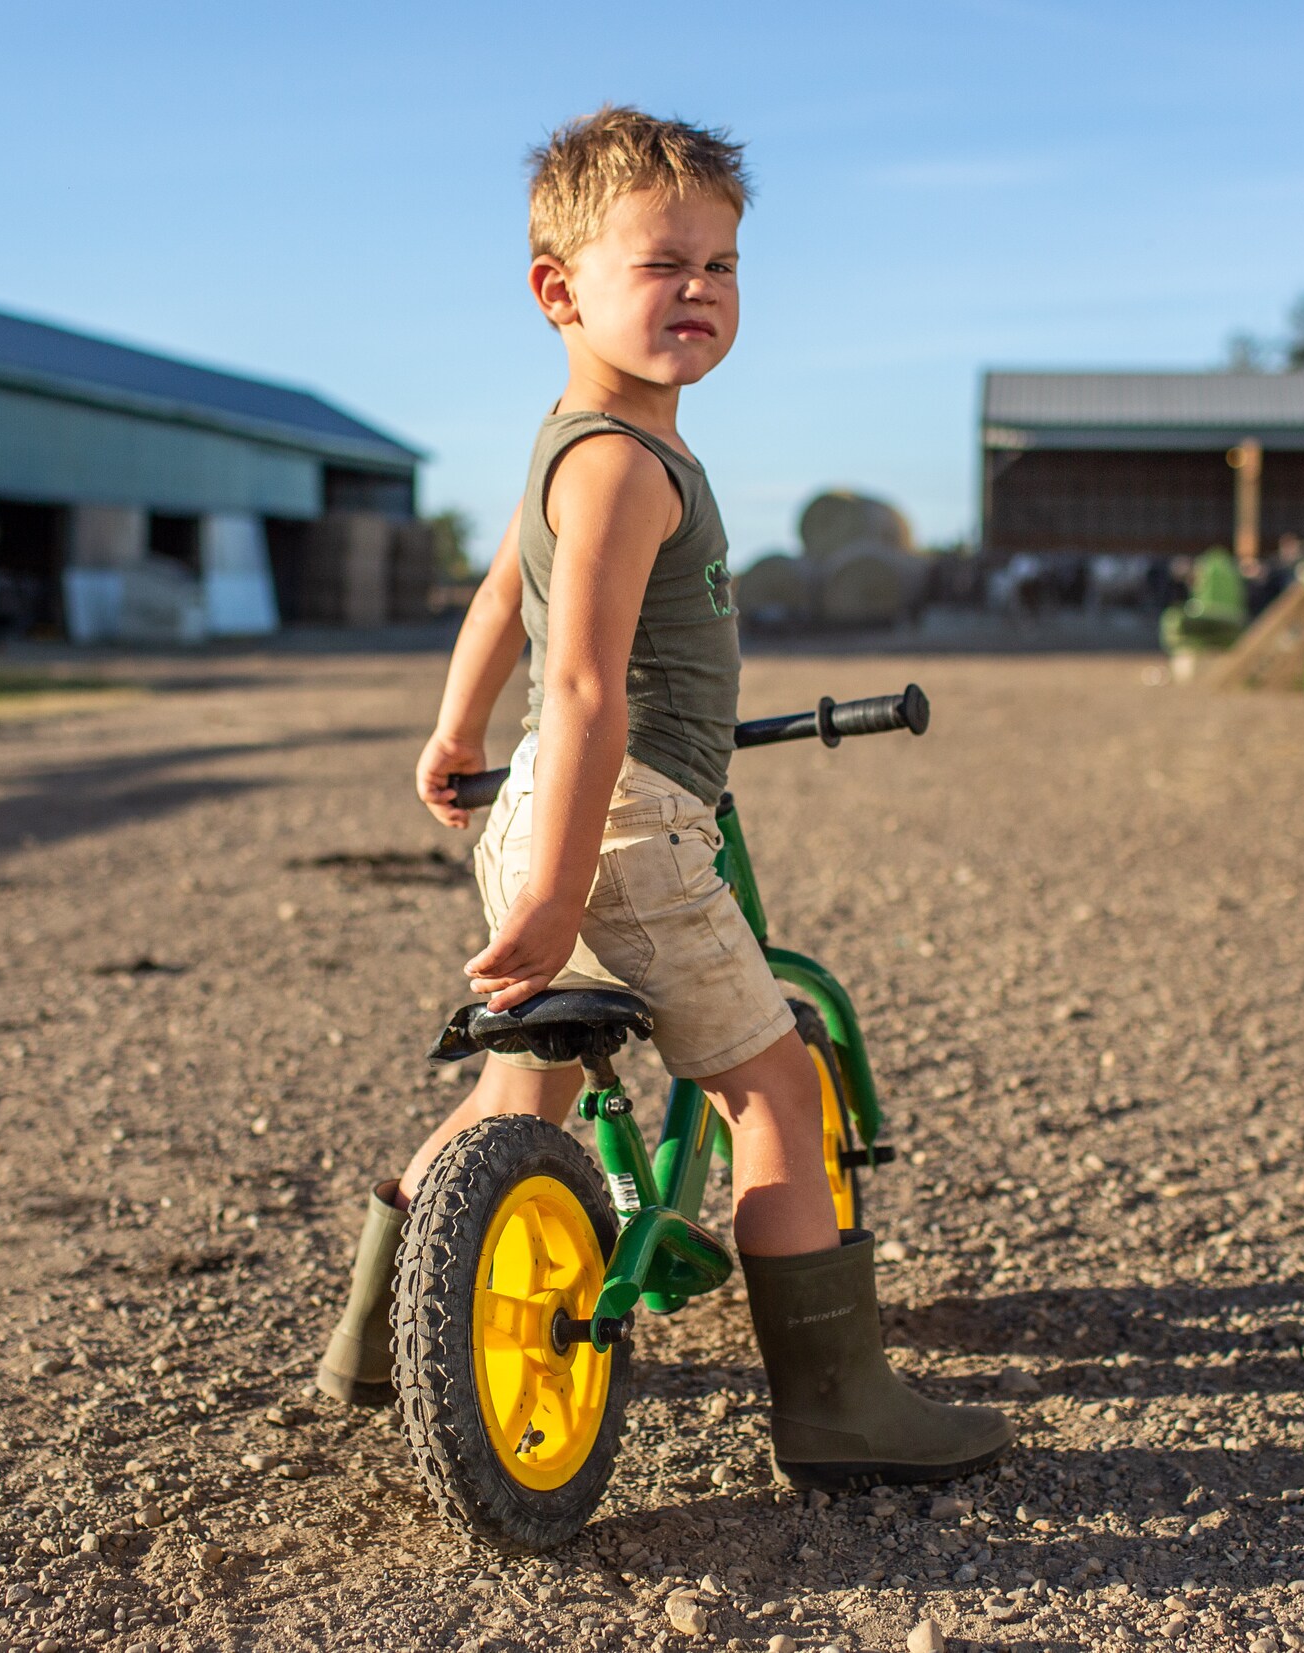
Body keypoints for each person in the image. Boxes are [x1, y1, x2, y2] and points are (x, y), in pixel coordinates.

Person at [312, 107, 1010, 1491]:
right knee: (771, 1086)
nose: (699, 289)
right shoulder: (629, 467)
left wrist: (456, 728)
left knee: (526, 1091)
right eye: (663, 263)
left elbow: (507, 589)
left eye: (723, 265)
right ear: (559, 289)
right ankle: (837, 1409)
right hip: (624, 826)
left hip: (540, 814)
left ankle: (377, 1337)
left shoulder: (571, 441)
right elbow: (580, 691)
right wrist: (572, 886)